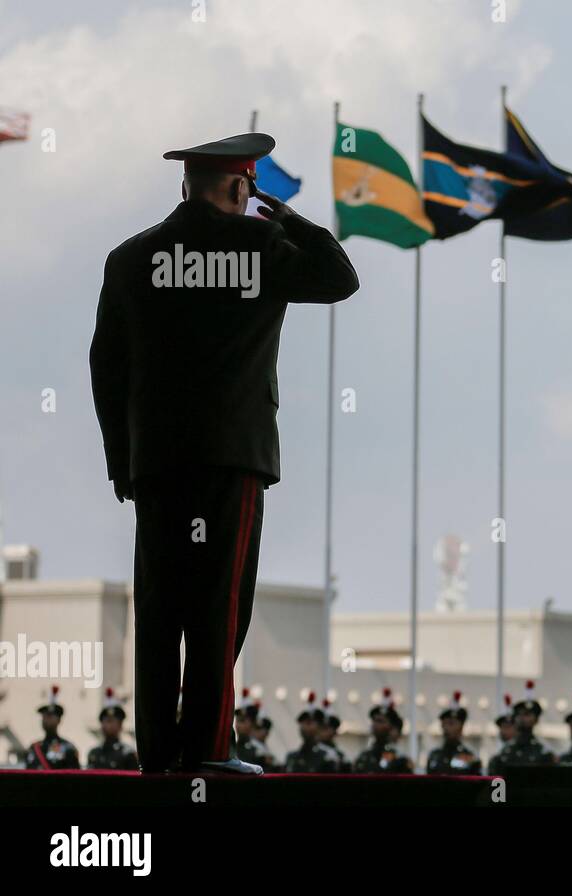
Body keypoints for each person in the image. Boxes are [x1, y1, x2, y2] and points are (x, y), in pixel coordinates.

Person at [89, 132, 359, 775]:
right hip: (231, 456)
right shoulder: (262, 245)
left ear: (185, 186)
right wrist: (290, 218)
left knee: (158, 608)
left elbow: (105, 365)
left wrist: (122, 459)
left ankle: (158, 755)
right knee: (218, 603)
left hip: (155, 462)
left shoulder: (130, 258)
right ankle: (208, 751)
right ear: (243, 187)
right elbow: (340, 279)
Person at [488, 681, 556, 773]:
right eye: (519, 714)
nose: (522, 718)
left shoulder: (543, 754)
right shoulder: (505, 752)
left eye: (527, 714)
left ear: (536, 720)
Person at [354, 689, 414, 774]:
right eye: (374, 721)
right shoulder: (364, 756)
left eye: (380, 721)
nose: (374, 724)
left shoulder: (400, 759)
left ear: (391, 727)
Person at [426, 691, 483, 774]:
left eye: (451, 723)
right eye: (444, 724)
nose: (446, 728)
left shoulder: (469, 757)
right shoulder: (434, 755)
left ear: (461, 727)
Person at [25, 686, 80, 770]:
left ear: (58, 720)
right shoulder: (33, 748)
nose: (45, 720)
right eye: (44, 716)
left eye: (49, 716)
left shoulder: (68, 748)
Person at [284, 692, 340, 773]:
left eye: (309, 723)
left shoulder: (328, 757)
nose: (304, 727)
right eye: (302, 723)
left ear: (319, 727)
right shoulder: (291, 757)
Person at [87, 688, 139, 771]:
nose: (108, 725)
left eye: (111, 721)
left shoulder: (128, 754)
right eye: (105, 721)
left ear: (120, 725)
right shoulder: (94, 753)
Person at [233, 689, 273, 769]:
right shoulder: (232, 747)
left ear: (252, 724)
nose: (238, 725)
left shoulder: (259, 752)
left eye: (242, 721)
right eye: (237, 721)